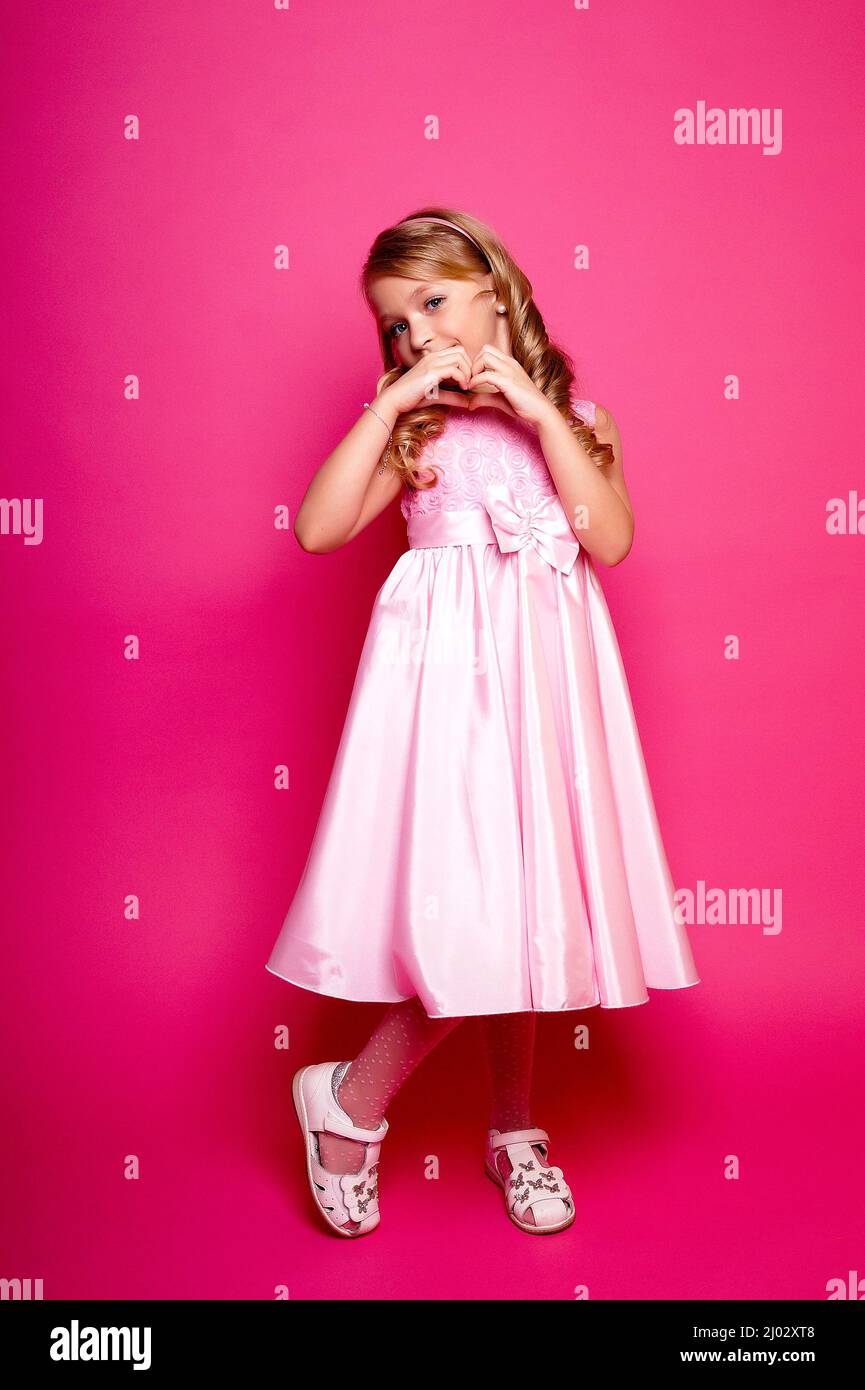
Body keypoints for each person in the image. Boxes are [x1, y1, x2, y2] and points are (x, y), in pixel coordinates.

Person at [266, 206, 700, 1238]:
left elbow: (614, 539)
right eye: (394, 326)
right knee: (478, 913)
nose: (414, 335)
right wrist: (390, 403)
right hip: (450, 699)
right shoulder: (415, 429)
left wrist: (543, 415)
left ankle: (513, 1128)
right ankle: (347, 1103)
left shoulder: (581, 420)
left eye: (431, 303)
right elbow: (319, 529)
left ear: (496, 290)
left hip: (547, 695)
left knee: (536, 908)